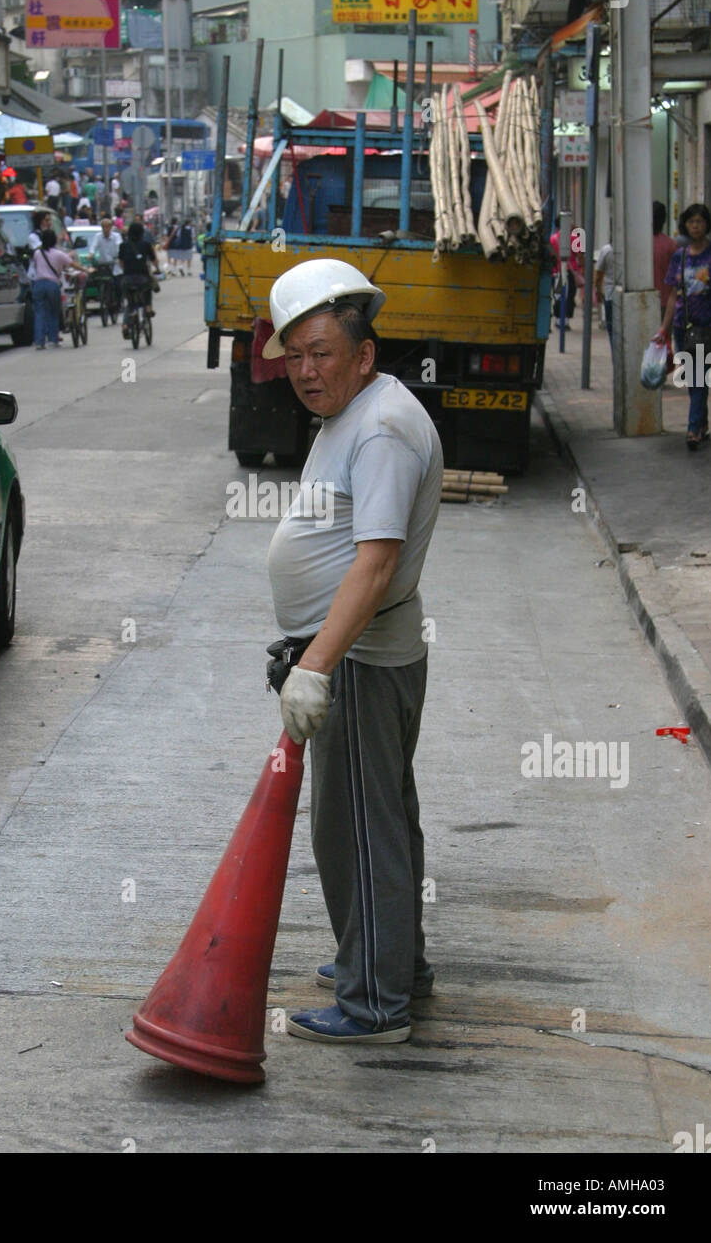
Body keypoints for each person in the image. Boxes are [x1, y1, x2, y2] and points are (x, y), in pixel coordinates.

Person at [263, 258, 443, 1044]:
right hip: (354, 655)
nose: (307, 370)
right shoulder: (358, 414)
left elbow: (374, 564)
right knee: (382, 820)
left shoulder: (382, 429)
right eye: (294, 354)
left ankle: (375, 1004)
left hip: (364, 664)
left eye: (322, 352)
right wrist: (303, 639)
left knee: (359, 831)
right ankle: (391, 960)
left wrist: (315, 664)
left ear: (363, 354)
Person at [658, 202, 711, 450]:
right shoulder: (679, 257)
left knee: (698, 376)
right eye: (691, 221)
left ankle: (693, 429)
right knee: (693, 379)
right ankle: (701, 424)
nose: (696, 226)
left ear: (707, 225)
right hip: (683, 324)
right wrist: (664, 328)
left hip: (708, 326)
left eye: (700, 221)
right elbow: (673, 295)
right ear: (685, 225)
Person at [31, 227, 88, 349]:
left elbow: (36, 267)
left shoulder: (37, 253)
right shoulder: (58, 254)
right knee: (53, 312)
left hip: (38, 284)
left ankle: (39, 342)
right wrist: (85, 269)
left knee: (40, 313)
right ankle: (53, 339)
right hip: (52, 284)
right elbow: (73, 264)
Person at [118, 220, 159, 337]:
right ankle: (148, 308)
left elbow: (121, 262)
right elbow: (153, 260)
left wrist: (126, 270)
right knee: (147, 292)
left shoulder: (123, 245)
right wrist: (157, 269)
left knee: (130, 303)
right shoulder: (146, 244)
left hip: (127, 279)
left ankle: (125, 325)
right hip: (143, 278)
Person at [89, 215, 122, 311]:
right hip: (103, 264)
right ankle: (103, 297)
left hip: (114, 263)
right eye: (103, 227)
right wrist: (91, 254)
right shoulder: (98, 236)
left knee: (118, 285)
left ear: (111, 227)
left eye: (107, 227)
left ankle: (118, 302)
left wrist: (119, 254)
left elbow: (119, 245)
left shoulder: (116, 236)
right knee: (99, 281)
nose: (105, 229)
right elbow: (93, 246)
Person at [653, 200, 678, 321]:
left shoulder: (639, 246)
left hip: (643, 300)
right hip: (666, 300)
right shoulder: (671, 245)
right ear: (664, 220)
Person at [594, 238, 614, 350]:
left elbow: (599, 273)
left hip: (609, 294)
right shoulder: (628, 249)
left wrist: (597, 291)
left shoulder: (606, 250)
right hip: (623, 294)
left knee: (611, 328)